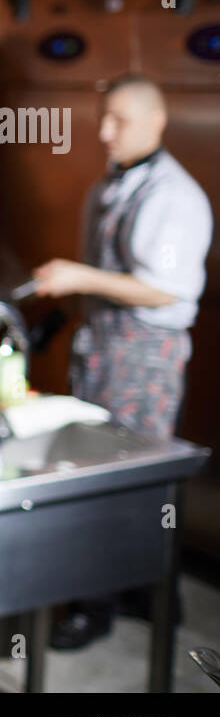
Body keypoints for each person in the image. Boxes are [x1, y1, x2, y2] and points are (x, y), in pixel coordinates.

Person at [34, 73, 211, 649]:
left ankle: (99, 605)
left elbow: (167, 290)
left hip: (144, 357)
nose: (104, 132)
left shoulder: (173, 197)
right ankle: (145, 593)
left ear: (156, 121)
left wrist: (78, 277)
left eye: (119, 121)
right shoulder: (112, 184)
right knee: (108, 474)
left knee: (121, 478)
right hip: (104, 348)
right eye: (102, 119)